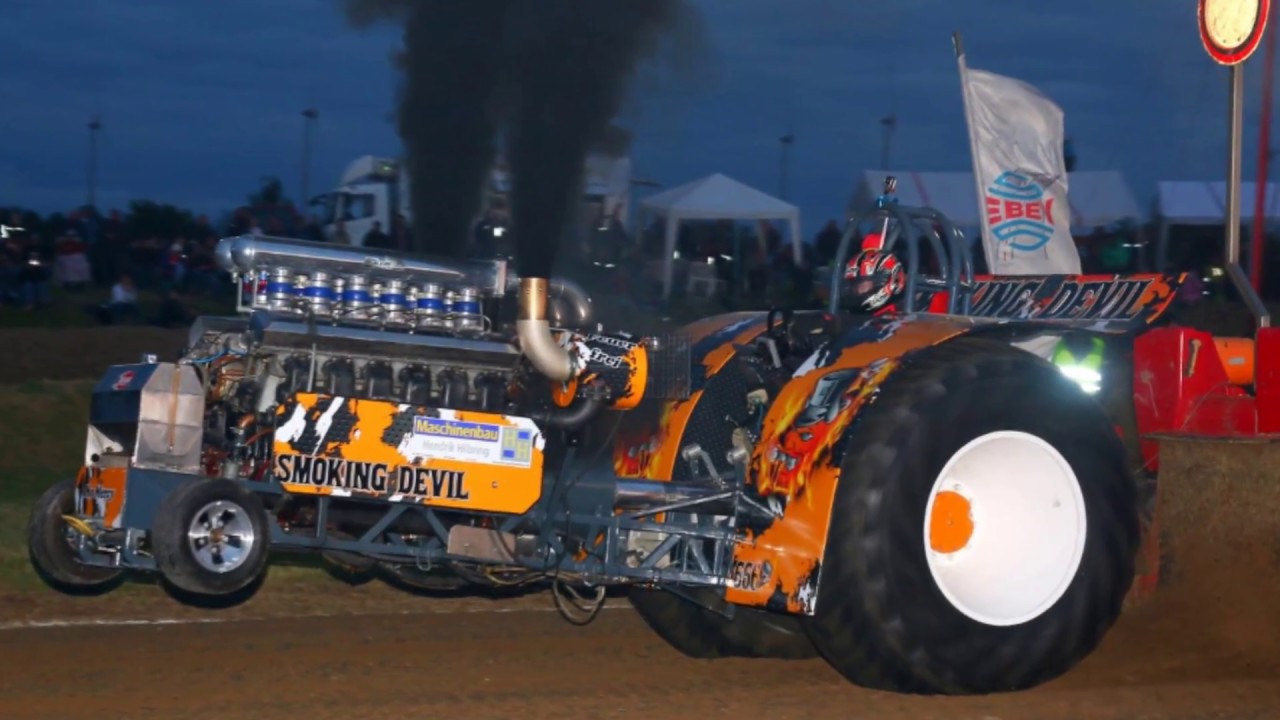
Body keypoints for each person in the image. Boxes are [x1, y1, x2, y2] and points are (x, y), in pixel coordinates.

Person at [841, 247, 905, 316]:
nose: (859, 290)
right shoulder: (851, 314)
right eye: (855, 286)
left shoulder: (903, 318)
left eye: (863, 284)